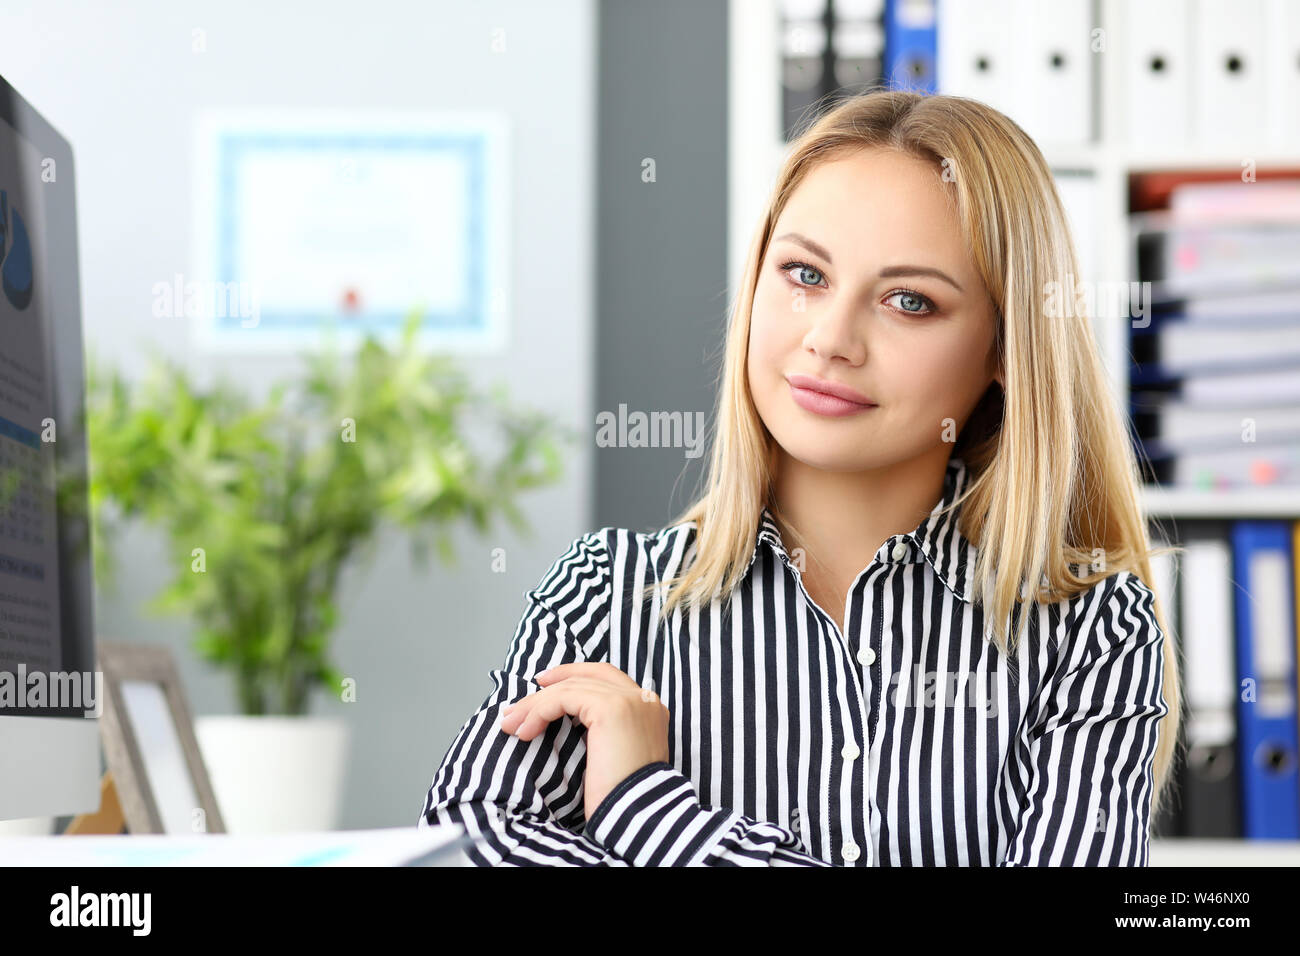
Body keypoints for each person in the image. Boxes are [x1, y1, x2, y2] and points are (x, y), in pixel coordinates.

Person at [418, 89, 1182, 866]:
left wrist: (644, 809)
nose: (830, 339)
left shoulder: (1090, 626)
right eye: (805, 274)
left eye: (909, 301)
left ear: (1004, 351)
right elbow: (462, 849)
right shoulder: (606, 594)